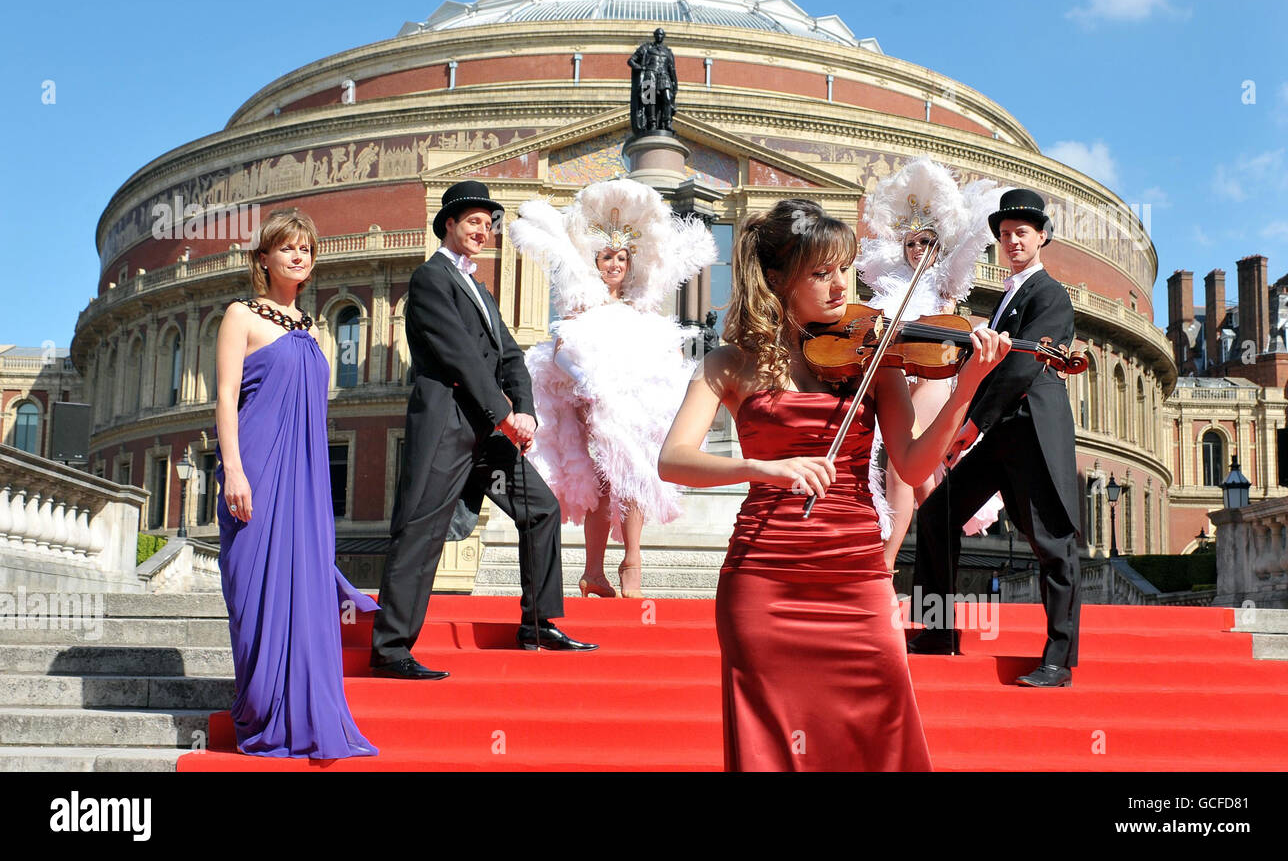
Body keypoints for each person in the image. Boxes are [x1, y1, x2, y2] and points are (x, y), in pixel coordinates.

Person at [658, 198, 1011, 771]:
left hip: (857, 576)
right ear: (777, 280)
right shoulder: (731, 362)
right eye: (820, 273)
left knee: (883, 734)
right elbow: (673, 460)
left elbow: (916, 464)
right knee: (772, 749)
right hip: (764, 578)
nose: (839, 286)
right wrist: (762, 468)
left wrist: (969, 383)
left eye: (844, 268)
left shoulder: (879, 353)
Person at [371, 180, 596, 677]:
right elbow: (461, 357)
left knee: (541, 510)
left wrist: (527, 409)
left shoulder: (480, 287)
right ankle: (390, 650)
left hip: (489, 437)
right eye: (472, 220)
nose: (482, 230)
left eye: (487, 223)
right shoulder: (430, 279)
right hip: (448, 426)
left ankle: (537, 624)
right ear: (448, 224)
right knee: (421, 530)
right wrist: (504, 412)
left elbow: (509, 355)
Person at [214, 207, 378, 759]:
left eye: (306, 248)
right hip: (255, 469)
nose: (299, 256)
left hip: (304, 478)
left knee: (303, 591)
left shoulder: (313, 327)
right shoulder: (241, 315)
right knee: (253, 592)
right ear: (264, 258)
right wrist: (232, 468)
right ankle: (260, 712)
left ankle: (304, 718)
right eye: (287, 247)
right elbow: (226, 398)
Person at [907, 188, 1083, 689]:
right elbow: (988, 366)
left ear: (1042, 236)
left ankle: (1059, 658)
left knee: (1051, 542)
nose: (1012, 242)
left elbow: (1023, 364)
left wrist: (970, 424)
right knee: (938, 512)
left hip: (1031, 430)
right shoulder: (1006, 297)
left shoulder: (1050, 294)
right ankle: (940, 630)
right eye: (1005, 235)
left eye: (1021, 234)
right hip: (1000, 431)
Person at [510, 178, 715, 599]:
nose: (614, 264)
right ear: (595, 262)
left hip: (637, 407)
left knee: (636, 477)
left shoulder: (642, 313)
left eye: (621, 258)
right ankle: (593, 570)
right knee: (603, 484)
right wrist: (589, 383)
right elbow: (563, 353)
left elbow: (667, 359)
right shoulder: (580, 310)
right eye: (607, 257)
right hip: (593, 404)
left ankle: (632, 560)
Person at [856, 157, 1008, 569]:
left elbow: (946, 334)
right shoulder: (888, 284)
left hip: (929, 381)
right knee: (921, 479)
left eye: (925, 242)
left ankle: (884, 568)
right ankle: (939, 560)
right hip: (893, 381)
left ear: (937, 246)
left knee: (903, 472)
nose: (917, 250)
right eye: (911, 243)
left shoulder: (943, 284)